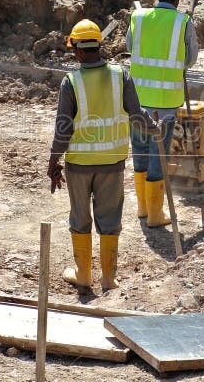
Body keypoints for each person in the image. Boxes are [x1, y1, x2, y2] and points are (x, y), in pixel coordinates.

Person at [48, 19, 158, 292]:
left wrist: (53, 160)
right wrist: (155, 128)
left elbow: (63, 128)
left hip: (79, 165)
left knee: (80, 217)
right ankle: (108, 278)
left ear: (77, 50)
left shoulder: (71, 82)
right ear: (99, 46)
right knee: (110, 218)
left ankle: (83, 275)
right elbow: (137, 115)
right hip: (112, 162)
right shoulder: (121, 75)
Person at [126, 0, 198, 227]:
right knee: (158, 155)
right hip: (165, 105)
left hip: (136, 101)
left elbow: (129, 47)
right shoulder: (183, 22)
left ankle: (143, 208)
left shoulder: (138, 17)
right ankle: (155, 215)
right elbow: (190, 59)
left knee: (139, 151)